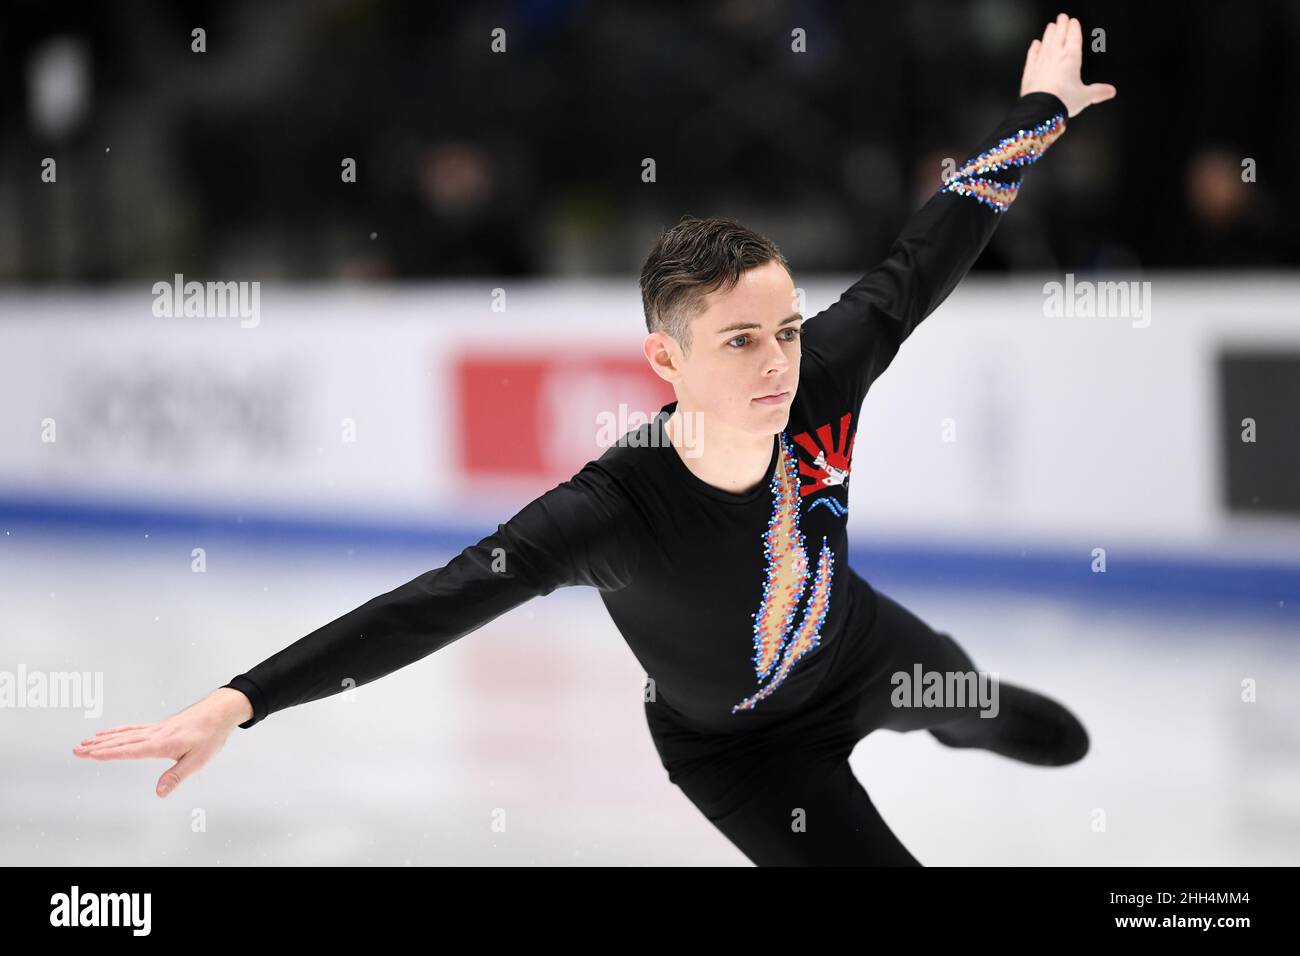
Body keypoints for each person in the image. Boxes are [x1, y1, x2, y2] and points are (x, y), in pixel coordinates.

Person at [73, 13, 1116, 865]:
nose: (777, 362)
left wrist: (1040, 111)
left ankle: (954, 715)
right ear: (666, 363)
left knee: (979, 708)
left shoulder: (828, 373)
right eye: (742, 339)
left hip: (867, 651)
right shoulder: (612, 509)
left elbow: (933, 241)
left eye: (787, 330)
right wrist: (241, 699)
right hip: (739, 753)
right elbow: (425, 605)